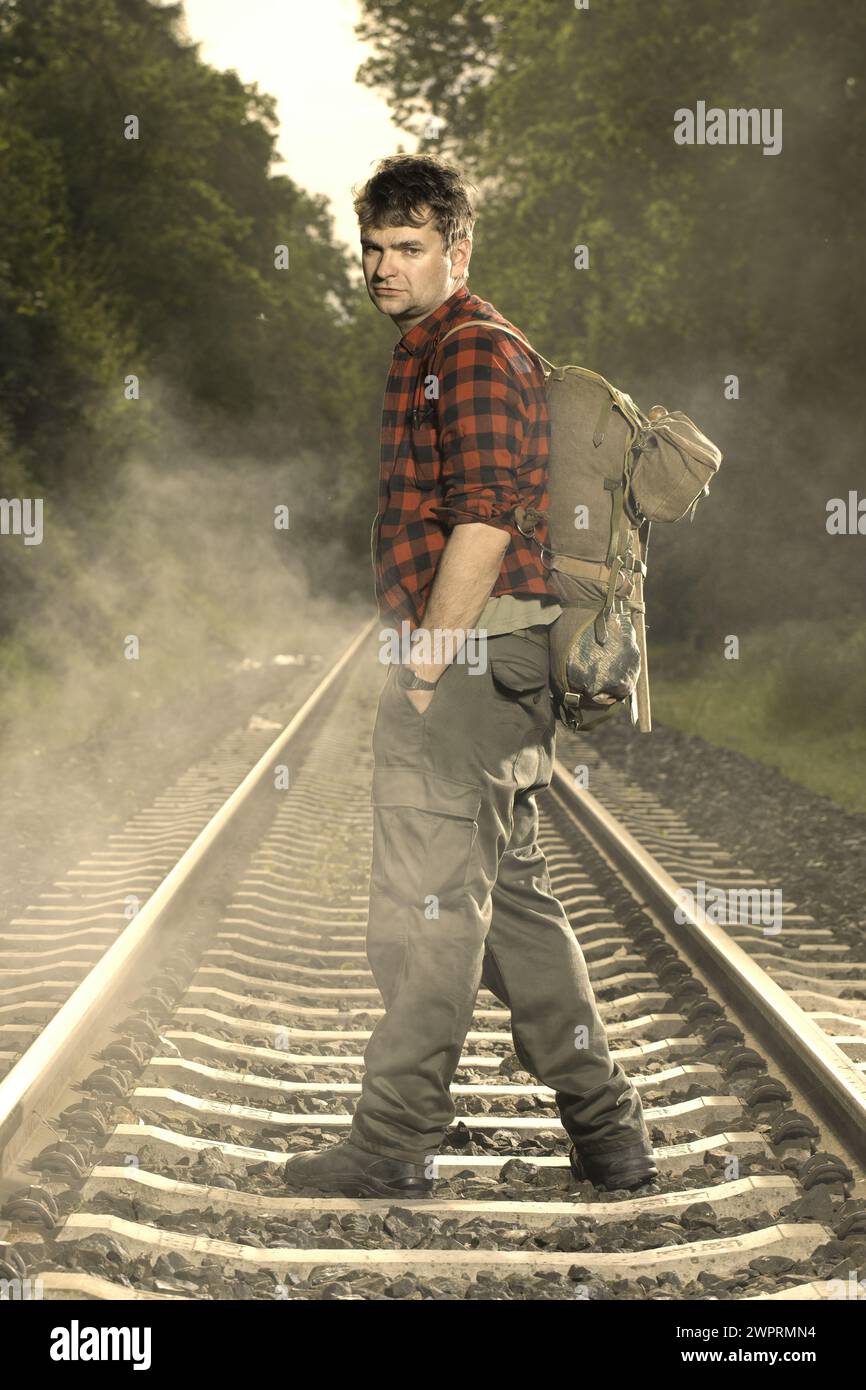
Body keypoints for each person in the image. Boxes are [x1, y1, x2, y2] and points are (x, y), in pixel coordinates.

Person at [283, 153, 658, 1198]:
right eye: (371, 248)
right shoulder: (425, 350)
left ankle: (394, 1135)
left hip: (467, 663)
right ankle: (609, 1130)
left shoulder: (478, 351)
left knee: (425, 914)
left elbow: (485, 518)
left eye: (407, 247)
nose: (381, 267)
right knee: (518, 915)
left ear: (458, 247)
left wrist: (420, 667)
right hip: (483, 671)